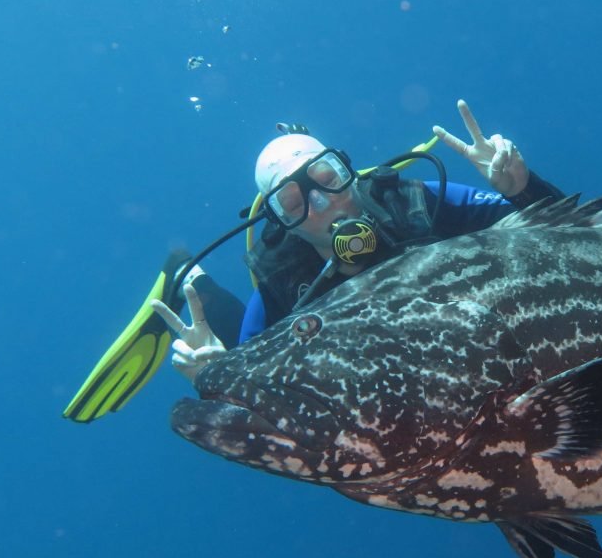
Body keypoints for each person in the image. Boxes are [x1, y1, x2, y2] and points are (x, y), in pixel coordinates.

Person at [152, 99, 563, 381]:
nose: (322, 202)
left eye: (327, 179)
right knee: (220, 331)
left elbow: (564, 239)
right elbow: (253, 380)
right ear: (281, 224)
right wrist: (213, 372)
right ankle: (188, 279)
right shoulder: (284, 284)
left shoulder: (415, 203)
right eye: (293, 202)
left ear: (349, 172)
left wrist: (522, 187)